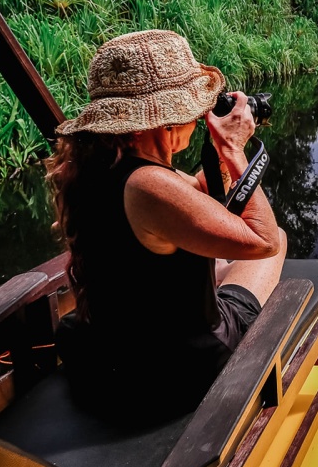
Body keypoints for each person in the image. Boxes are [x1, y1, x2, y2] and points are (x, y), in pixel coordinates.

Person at [46, 29, 286, 422]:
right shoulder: (149, 185)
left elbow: (194, 198)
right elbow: (261, 242)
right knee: (278, 235)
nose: (197, 117)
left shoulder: (104, 166)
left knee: (220, 265)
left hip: (111, 349)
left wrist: (221, 150)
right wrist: (233, 150)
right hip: (174, 369)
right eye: (191, 110)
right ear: (154, 122)